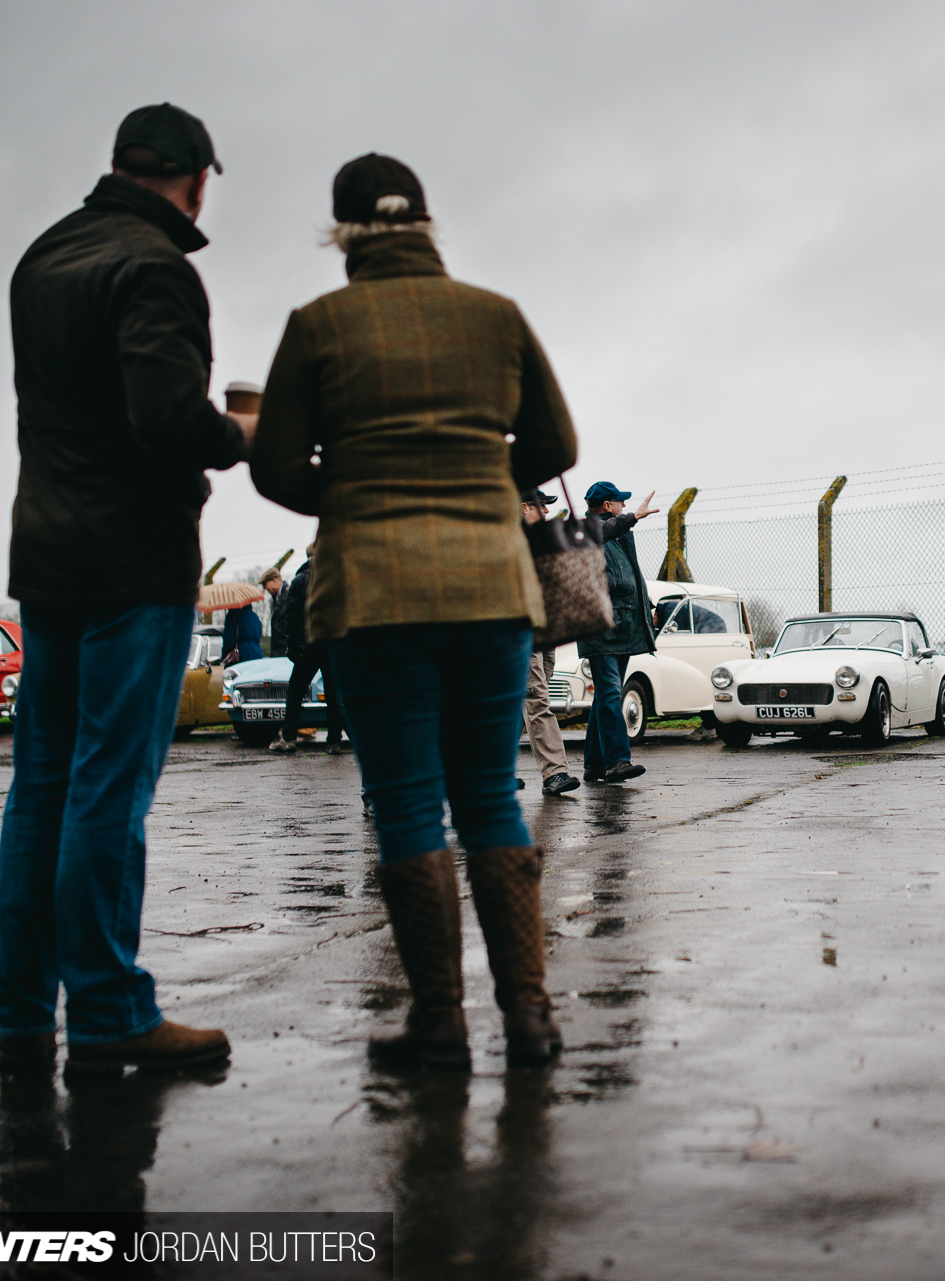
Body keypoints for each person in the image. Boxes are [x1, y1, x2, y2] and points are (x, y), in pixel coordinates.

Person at [250, 153, 578, 1071]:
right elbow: (556, 440)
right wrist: (474, 481)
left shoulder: (318, 328)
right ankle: (532, 1017)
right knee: (488, 794)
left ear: (344, 235)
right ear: (428, 226)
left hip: (374, 596)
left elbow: (275, 465)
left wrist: (358, 487)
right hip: (489, 590)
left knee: (404, 804)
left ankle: (439, 1020)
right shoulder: (494, 315)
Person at [0, 103, 246, 1078]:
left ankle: (22, 1016)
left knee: (42, 788)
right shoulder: (154, 267)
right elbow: (167, 417)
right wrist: (241, 438)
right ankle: (107, 1012)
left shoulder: (44, 256)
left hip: (46, 554)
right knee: (107, 786)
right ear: (192, 177)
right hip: (133, 562)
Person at [578, 482, 659, 784]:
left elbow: (630, 577)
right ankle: (617, 761)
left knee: (605, 696)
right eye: (621, 503)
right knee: (611, 693)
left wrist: (645, 605)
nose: (625, 506)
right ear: (609, 506)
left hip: (623, 625)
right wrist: (634, 517)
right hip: (599, 628)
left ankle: (594, 765)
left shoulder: (621, 537)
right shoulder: (585, 531)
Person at [519, 491, 580, 796]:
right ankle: (555, 773)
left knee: (521, 703)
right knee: (536, 697)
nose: (545, 512)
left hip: (545, 631)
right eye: (540, 506)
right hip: (521, 630)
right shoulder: (510, 539)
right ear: (523, 506)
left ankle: (493, 770)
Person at [269, 553, 348, 754]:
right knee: (333, 694)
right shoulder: (336, 578)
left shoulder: (299, 581)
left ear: (307, 557)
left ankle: (288, 739)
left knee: (295, 692)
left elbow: (291, 617)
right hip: (330, 645)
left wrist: (292, 648)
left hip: (307, 645)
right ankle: (334, 741)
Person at [223, 568, 280, 665]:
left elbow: (229, 640)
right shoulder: (255, 617)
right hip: (257, 655)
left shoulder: (233, 616)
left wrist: (224, 655)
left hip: (240, 657)